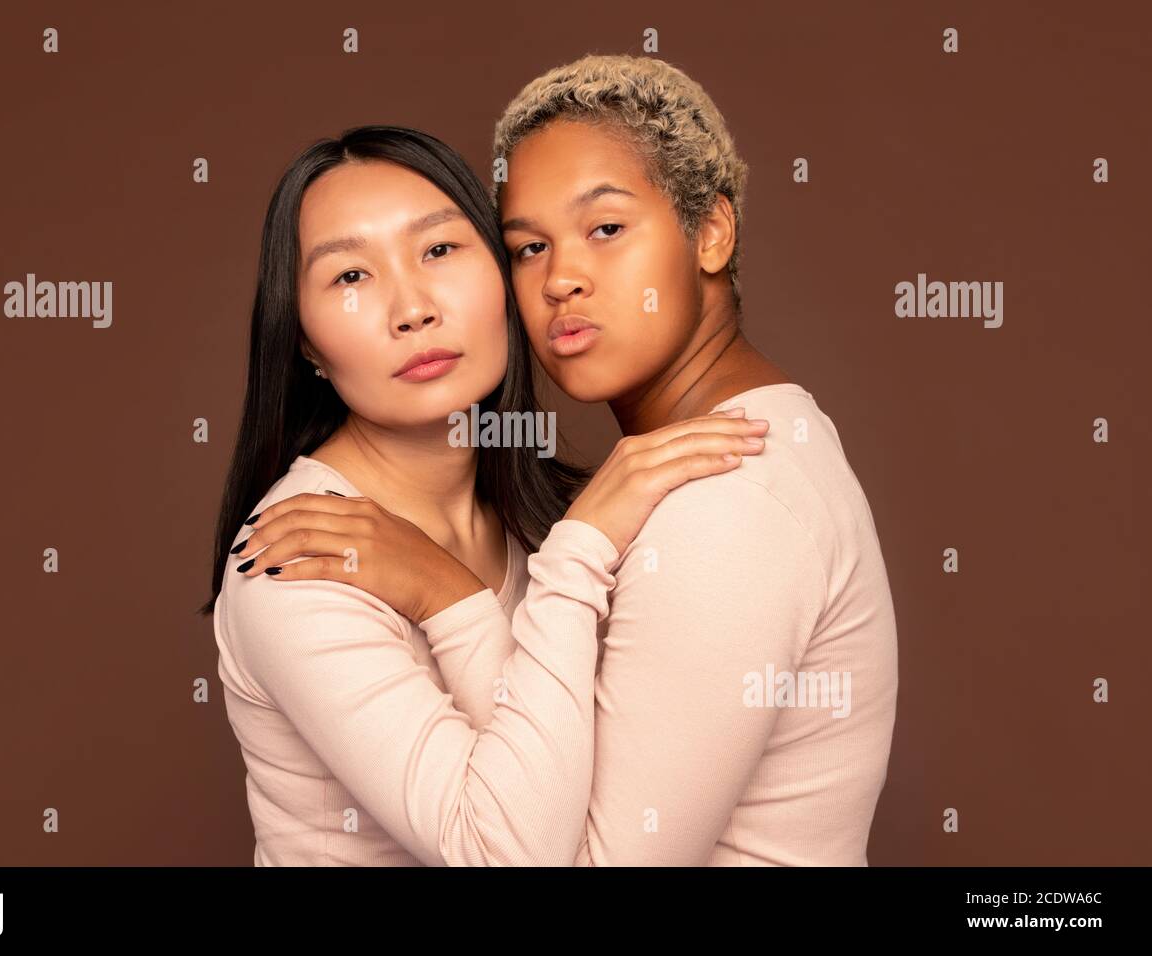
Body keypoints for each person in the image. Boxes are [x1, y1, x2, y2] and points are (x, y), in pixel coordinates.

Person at [253, 55, 899, 866]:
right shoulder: (312, 546)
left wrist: (450, 590)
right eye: (528, 247)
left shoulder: (721, 502)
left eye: (606, 229)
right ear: (304, 338)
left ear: (711, 232)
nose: (562, 279)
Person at [202, 124, 769, 865]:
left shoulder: (537, 517)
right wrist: (459, 595)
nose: (412, 308)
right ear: (306, 341)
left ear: (505, 276)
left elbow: (598, 806)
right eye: (350, 277)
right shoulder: (298, 557)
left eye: (439, 250)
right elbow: (510, 853)